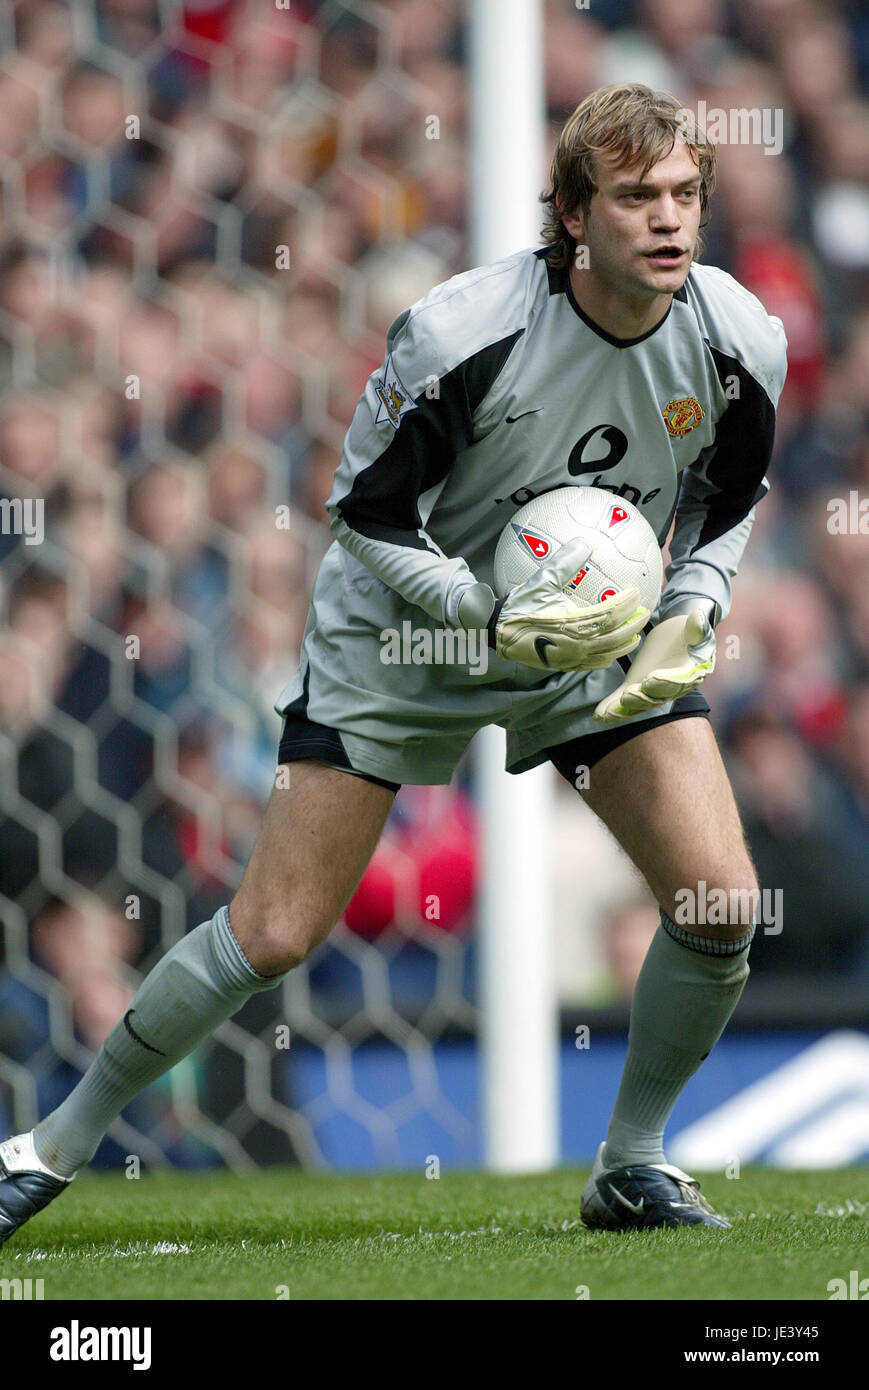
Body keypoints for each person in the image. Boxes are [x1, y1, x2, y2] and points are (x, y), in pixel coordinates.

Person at [0, 83, 787, 1240]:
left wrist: (696, 602)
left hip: (579, 638)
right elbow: (361, 513)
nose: (666, 221)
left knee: (719, 903)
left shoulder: (737, 339)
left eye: (683, 196)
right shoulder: (463, 334)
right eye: (633, 198)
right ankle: (48, 1146)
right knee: (272, 930)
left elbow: (727, 502)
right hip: (399, 636)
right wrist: (478, 611)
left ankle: (629, 1160)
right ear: (572, 212)